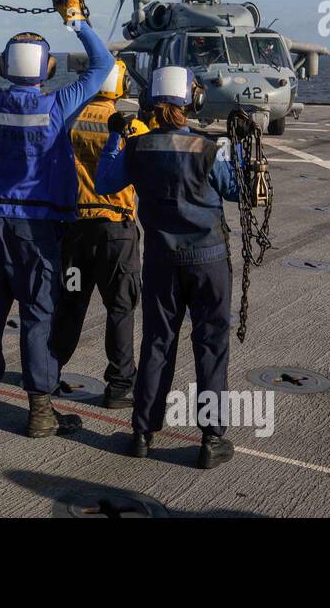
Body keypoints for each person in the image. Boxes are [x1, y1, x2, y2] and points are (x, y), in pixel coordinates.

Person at [0, 0, 113, 438]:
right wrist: (75, 19)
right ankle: (39, 410)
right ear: (48, 68)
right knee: (38, 315)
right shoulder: (59, 102)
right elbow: (104, 65)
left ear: (2, 66)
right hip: (39, 230)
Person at [95, 66, 240, 469]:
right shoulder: (207, 148)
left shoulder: (138, 148)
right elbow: (235, 189)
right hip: (209, 260)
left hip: (161, 261)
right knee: (211, 345)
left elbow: (105, 181)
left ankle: (142, 433)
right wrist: (239, 149)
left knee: (158, 342)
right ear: (190, 101)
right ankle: (211, 440)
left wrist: (114, 136)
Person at [49, 58, 147, 409]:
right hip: (116, 234)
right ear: (121, 88)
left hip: (75, 232)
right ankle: (119, 386)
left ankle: (48, 370)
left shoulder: (69, 118)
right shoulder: (132, 127)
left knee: (71, 303)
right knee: (120, 308)